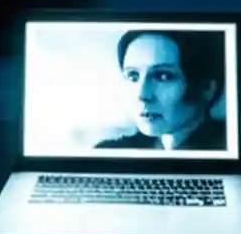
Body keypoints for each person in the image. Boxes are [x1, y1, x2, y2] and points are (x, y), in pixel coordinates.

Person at [95, 29, 227, 150]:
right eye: (133, 76)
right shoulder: (111, 152)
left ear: (207, 88)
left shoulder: (228, 147)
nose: (142, 95)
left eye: (163, 76)